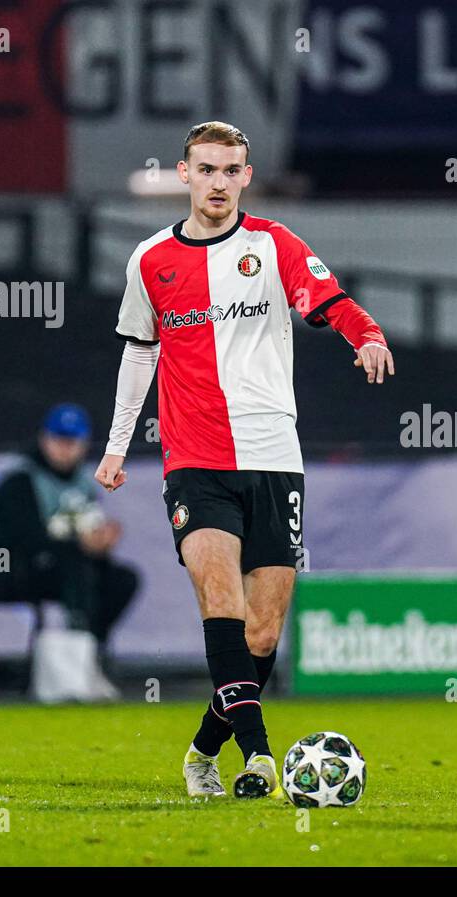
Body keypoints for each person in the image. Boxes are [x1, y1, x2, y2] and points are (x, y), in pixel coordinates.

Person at [94, 122, 393, 800]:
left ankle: (203, 750)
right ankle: (259, 756)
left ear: (246, 177)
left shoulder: (273, 245)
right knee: (220, 599)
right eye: (206, 170)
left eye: (231, 170)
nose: (218, 183)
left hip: (273, 455)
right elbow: (140, 351)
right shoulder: (149, 260)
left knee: (263, 627)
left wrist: (366, 333)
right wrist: (117, 447)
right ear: (185, 173)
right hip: (194, 459)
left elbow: (330, 300)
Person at [0, 404, 139, 661]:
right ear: (44, 438)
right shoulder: (20, 481)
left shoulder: (82, 481)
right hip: (15, 570)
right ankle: (76, 660)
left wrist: (101, 543)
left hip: (66, 566)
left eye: (72, 441)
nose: (65, 448)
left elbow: (85, 529)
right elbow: (22, 539)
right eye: (59, 439)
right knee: (76, 570)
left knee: (121, 579)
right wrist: (80, 546)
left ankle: (88, 650)